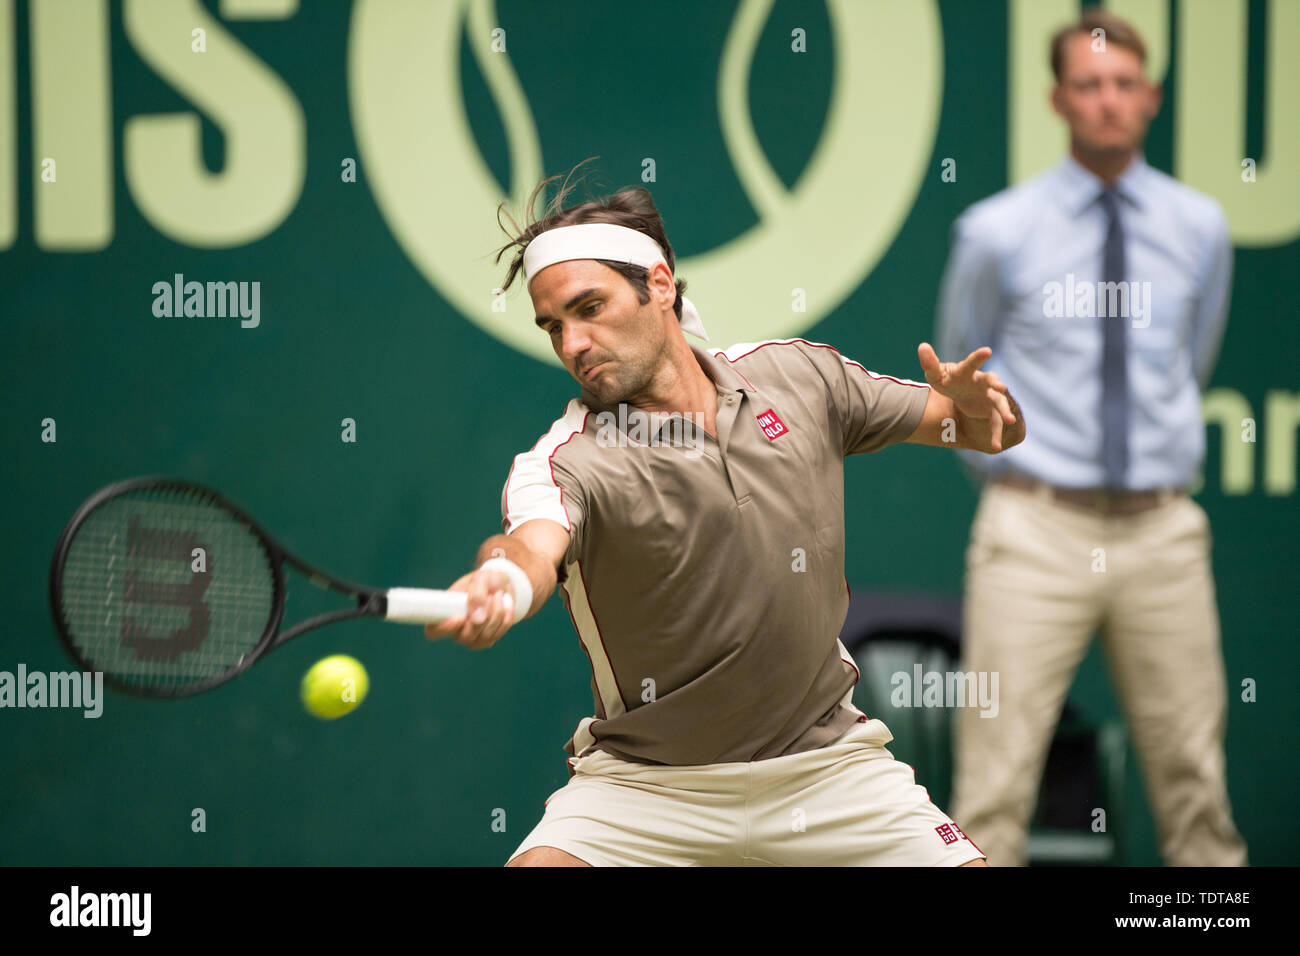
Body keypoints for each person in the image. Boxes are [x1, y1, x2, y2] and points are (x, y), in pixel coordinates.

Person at [428, 162, 1024, 866]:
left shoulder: (800, 376)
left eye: (589, 309)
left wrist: (982, 409)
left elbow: (986, 431)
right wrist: (503, 581)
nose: (573, 345)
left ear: (659, 286)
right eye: (553, 327)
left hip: (828, 770)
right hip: (646, 790)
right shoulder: (566, 461)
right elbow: (530, 547)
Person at [938, 8, 1247, 866]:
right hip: (1035, 526)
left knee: (1195, 781)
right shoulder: (996, 231)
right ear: (1058, 100)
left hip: (1162, 528)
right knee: (994, 786)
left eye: (1123, 84)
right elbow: (965, 385)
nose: (1107, 100)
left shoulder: (1199, 226)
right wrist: (1022, 486)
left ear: (1151, 97)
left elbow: (1191, 360)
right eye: (1088, 84)